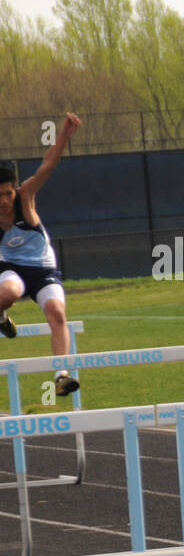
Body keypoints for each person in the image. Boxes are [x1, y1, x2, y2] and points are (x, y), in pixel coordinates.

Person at [0, 112, 82, 397]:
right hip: (10, 267)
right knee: (8, 292)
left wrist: (64, 135)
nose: (3, 201)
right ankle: (2, 316)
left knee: (57, 312)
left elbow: (47, 166)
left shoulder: (26, 197)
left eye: (7, 194)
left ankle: (61, 375)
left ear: (15, 191)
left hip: (43, 270)